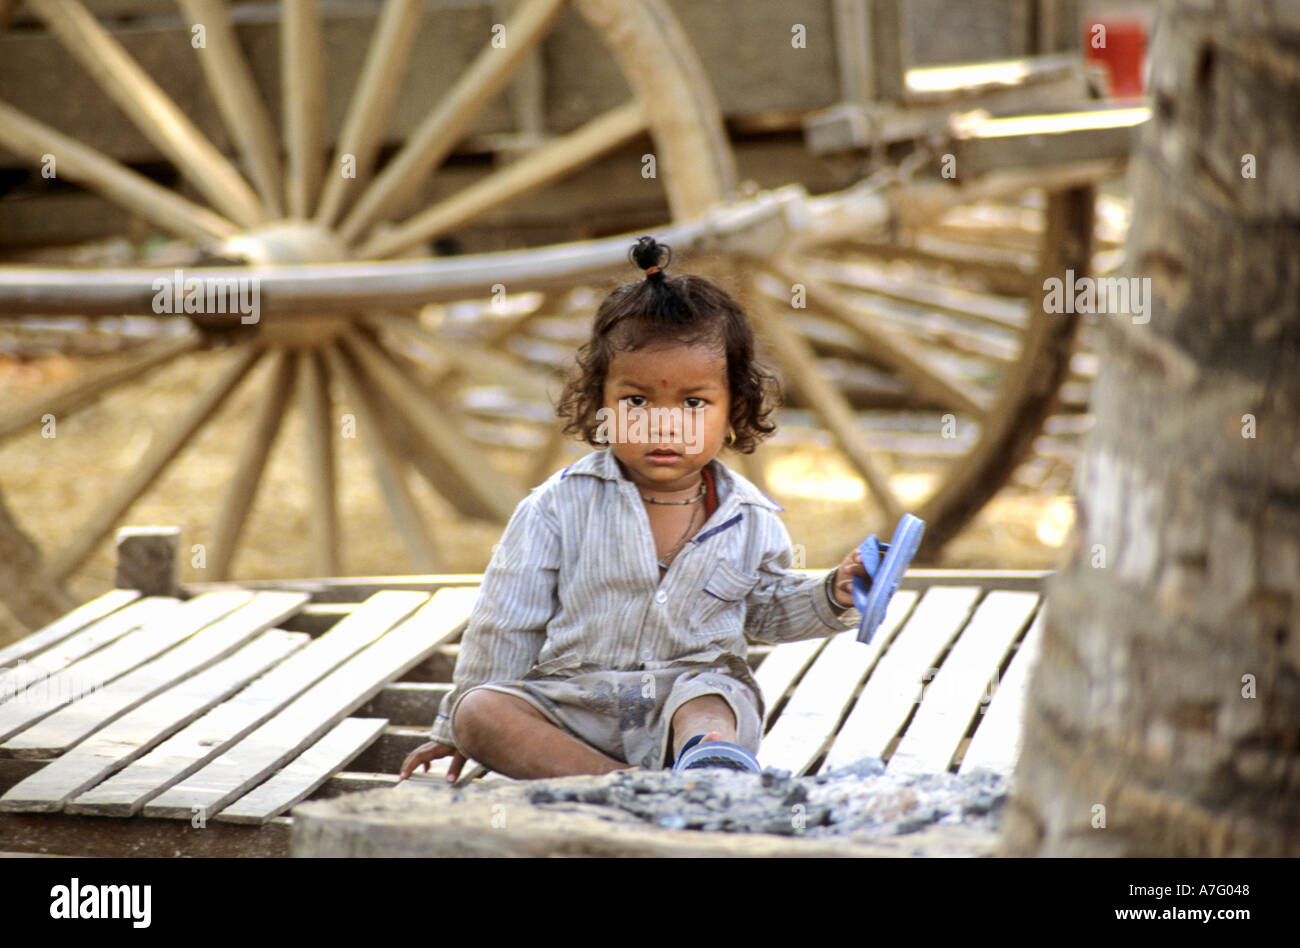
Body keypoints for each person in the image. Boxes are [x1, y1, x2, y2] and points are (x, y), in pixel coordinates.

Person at [397, 236, 876, 784]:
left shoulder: (749, 517)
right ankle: (622, 782)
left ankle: (708, 762)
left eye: (694, 403)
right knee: (480, 711)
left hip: (685, 702)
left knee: (716, 695)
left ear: (733, 410)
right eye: (636, 401)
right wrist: (450, 724)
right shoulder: (557, 507)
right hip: (576, 702)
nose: (664, 422)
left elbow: (765, 610)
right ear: (601, 404)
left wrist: (832, 593)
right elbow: (505, 625)